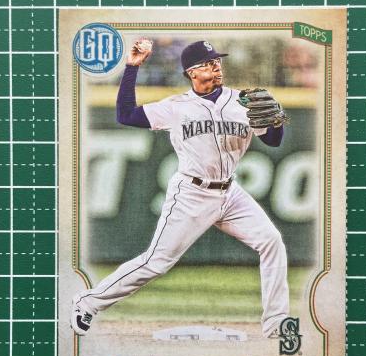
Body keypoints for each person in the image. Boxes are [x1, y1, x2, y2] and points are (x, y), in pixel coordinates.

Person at [71, 39, 290, 338]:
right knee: (156, 262)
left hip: (230, 193)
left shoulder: (242, 102)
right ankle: (87, 302)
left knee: (271, 241)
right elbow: (125, 114)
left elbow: (274, 141)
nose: (216, 67)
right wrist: (132, 67)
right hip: (192, 194)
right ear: (191, 72)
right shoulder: (176, 107)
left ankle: (276, 324)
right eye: (208, 63)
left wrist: (275, 123)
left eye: (218, 61)